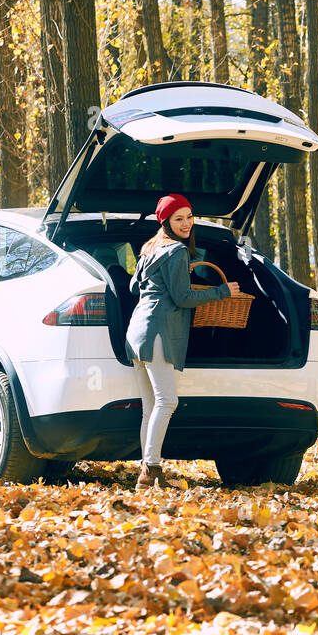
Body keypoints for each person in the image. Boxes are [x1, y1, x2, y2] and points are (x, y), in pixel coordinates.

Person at [126, 194, 242, 490]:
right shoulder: (176, 251)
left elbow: (132, 285)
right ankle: (150, 469)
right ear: (165, 221)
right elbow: (183, 298)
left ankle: (146, 472)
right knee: (167, 401)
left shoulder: (149, 248)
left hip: (138, 329)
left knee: (149, 406)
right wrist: (221, 292)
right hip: (159, 330)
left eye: (189, 217)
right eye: (179, 218)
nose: (186, 223)